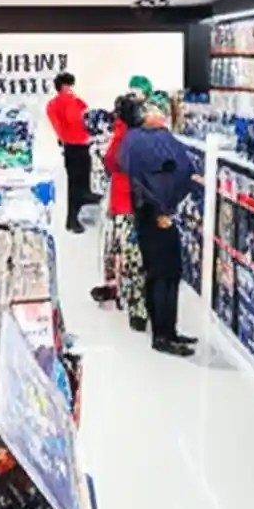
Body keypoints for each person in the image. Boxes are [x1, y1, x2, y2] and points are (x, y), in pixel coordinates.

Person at [120, 101, 199, 357]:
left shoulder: (136, 141)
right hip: (156, 215)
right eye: (155, 110)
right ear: (144, 117)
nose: (161, 113)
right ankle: (163, 336)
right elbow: (152, 180)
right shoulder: (145, 142)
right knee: (163, 275)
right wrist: (161, 210)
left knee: (167, 274)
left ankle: (168, 330)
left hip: (155, 213)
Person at [91, 93, 149, 332]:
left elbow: (110, 162)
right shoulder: (139, 136)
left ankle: (132, 305)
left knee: (124, 255)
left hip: (122, 203)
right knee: (131, 258)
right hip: (130, 204)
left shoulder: (122, 135)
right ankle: (134, 306)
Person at [46, 72, 94, 234]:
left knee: (75, 184)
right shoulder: (74, 102)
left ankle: (73, 218)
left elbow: (58, 126)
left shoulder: (53, 105)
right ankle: (75, 218)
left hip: (72, 147)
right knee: (80, 185)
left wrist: (63, 139)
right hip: (79, 146)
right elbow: (86, 121)